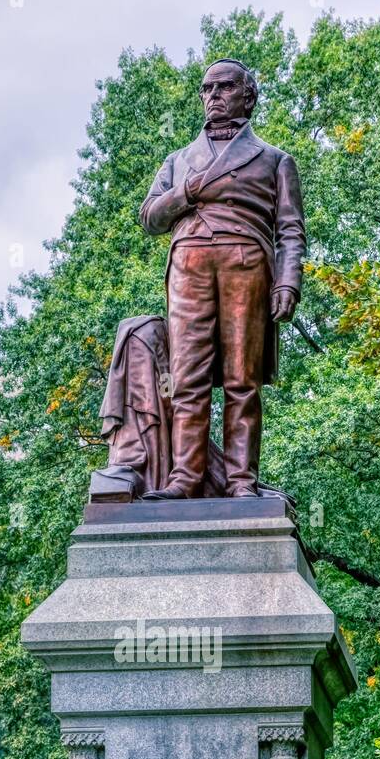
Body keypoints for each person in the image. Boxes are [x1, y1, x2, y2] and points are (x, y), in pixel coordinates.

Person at [139, 58, 305, 498]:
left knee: (241, 380)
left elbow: (290, 229)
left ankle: (241, 482)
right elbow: (151, 217)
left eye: (225, 87)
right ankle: (184, 479)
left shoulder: (274, 160)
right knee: (187, 377)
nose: (214, 96)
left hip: (246, 266)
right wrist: (186, 192)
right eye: (207, 89)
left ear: (247, 96)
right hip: (188, 267)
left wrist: (288, 282)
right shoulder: (178, 161)